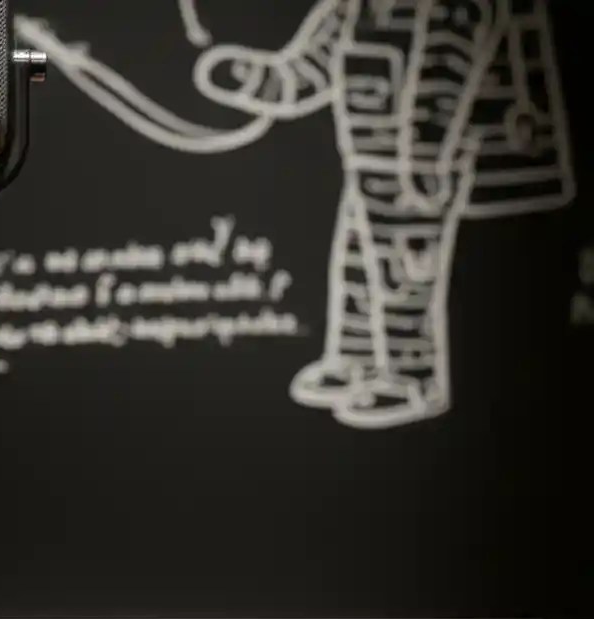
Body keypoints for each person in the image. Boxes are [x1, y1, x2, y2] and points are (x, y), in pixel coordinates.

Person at [195, 0, 575, 429]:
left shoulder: (451, 8)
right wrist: (253, 78)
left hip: (421, 164)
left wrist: (427, 156)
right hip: (371, 160)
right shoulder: (353, 8)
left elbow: (444, 76)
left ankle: (411, 375)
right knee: (360, 265)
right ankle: (356, 358)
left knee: (404, 271)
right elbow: (310, 69)